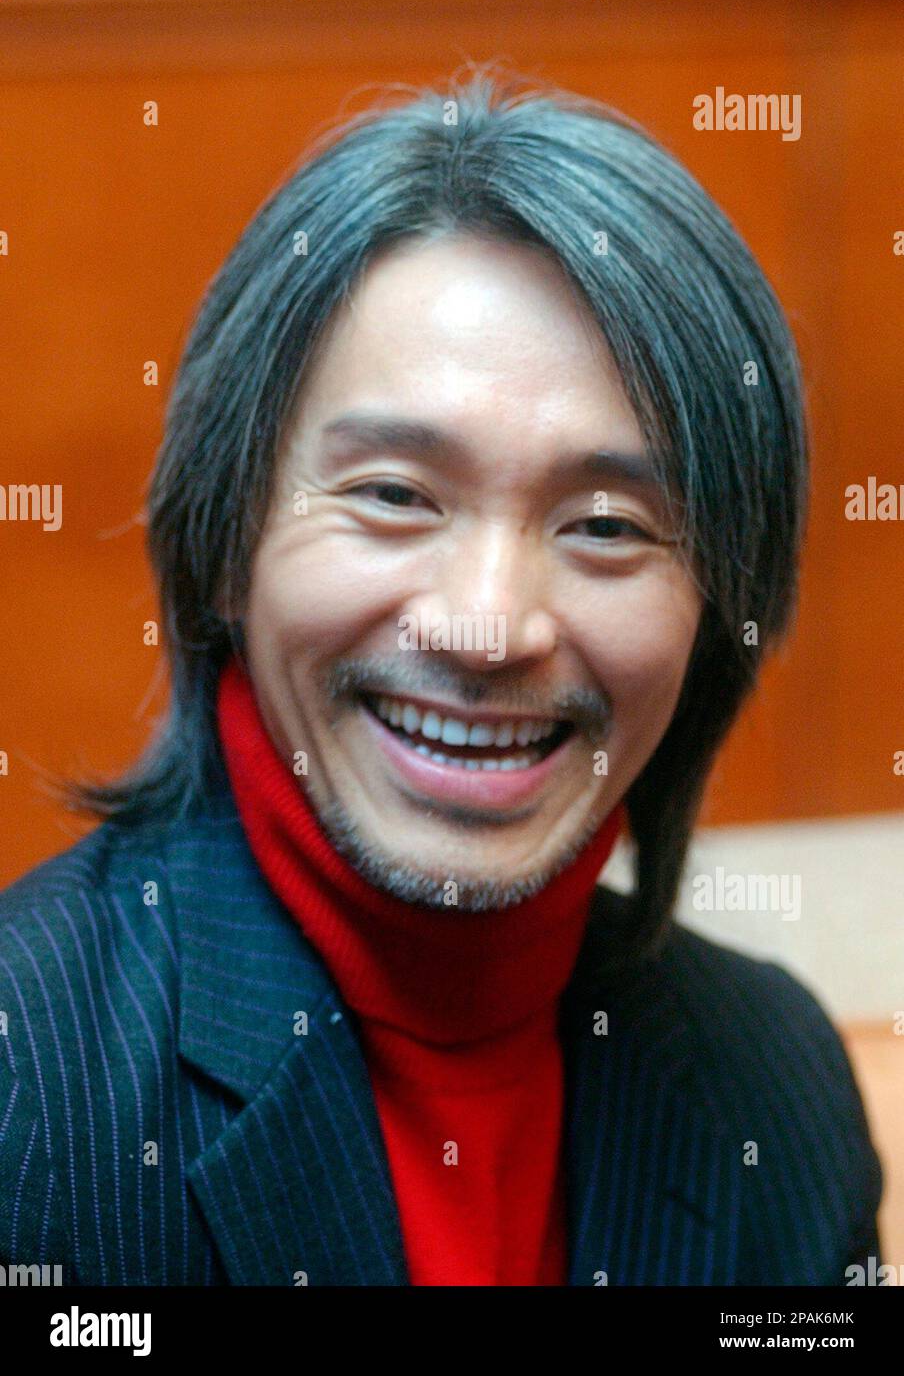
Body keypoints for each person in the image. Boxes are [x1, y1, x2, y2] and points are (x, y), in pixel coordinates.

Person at [0, 65, 882, 1286]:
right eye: (393, 496)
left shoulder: (767, 1083)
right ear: (225, 545)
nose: (487, 627)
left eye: (609, 524)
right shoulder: (26, 1088)